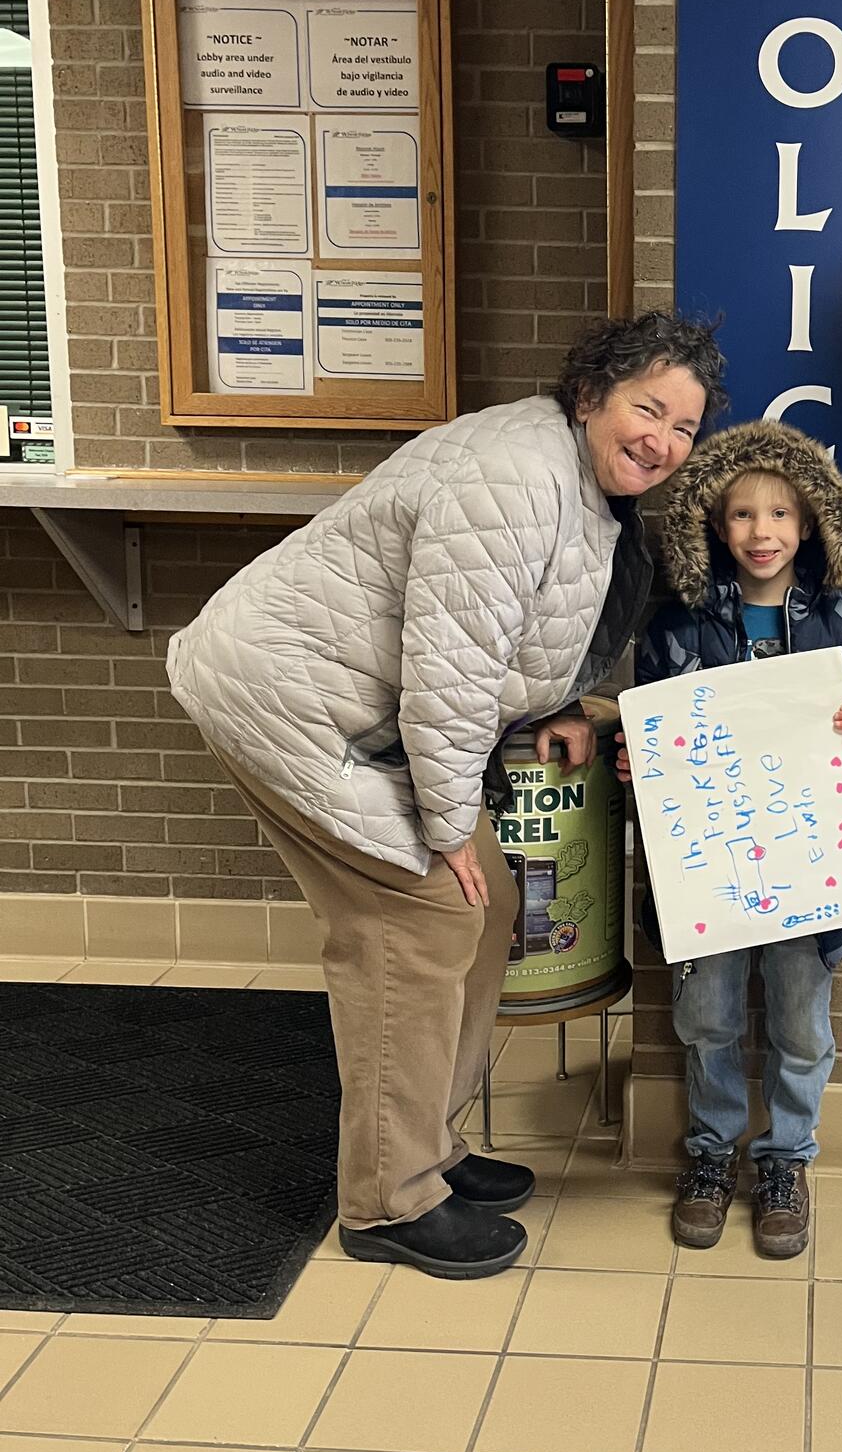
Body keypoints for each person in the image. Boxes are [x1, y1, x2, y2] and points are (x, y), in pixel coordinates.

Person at [167, 313, 725, 1282]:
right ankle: (389, 1197)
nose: (664, 441)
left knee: (489, 901)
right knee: (418, 919)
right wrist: (443, 824)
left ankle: (431, 1141)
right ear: (590, 394)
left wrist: (567, 708)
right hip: (288, 703)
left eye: (684, 426)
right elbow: (452, 665)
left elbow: (511, 646)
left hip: (368, 719)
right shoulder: (515, 476)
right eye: (648, 408)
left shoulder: (579, 486)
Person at [625, 420, 842, 1259]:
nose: (762, 532)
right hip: (710, 873)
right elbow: (652, 740)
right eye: (743, 515)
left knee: (799, 1023)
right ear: (715, 526)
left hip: (807, 871)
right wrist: (638, 761)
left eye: (781, 514)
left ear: (812, 523)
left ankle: (785, 1162)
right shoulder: (676, 629)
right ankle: (711, 1157)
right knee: (706, 1015)